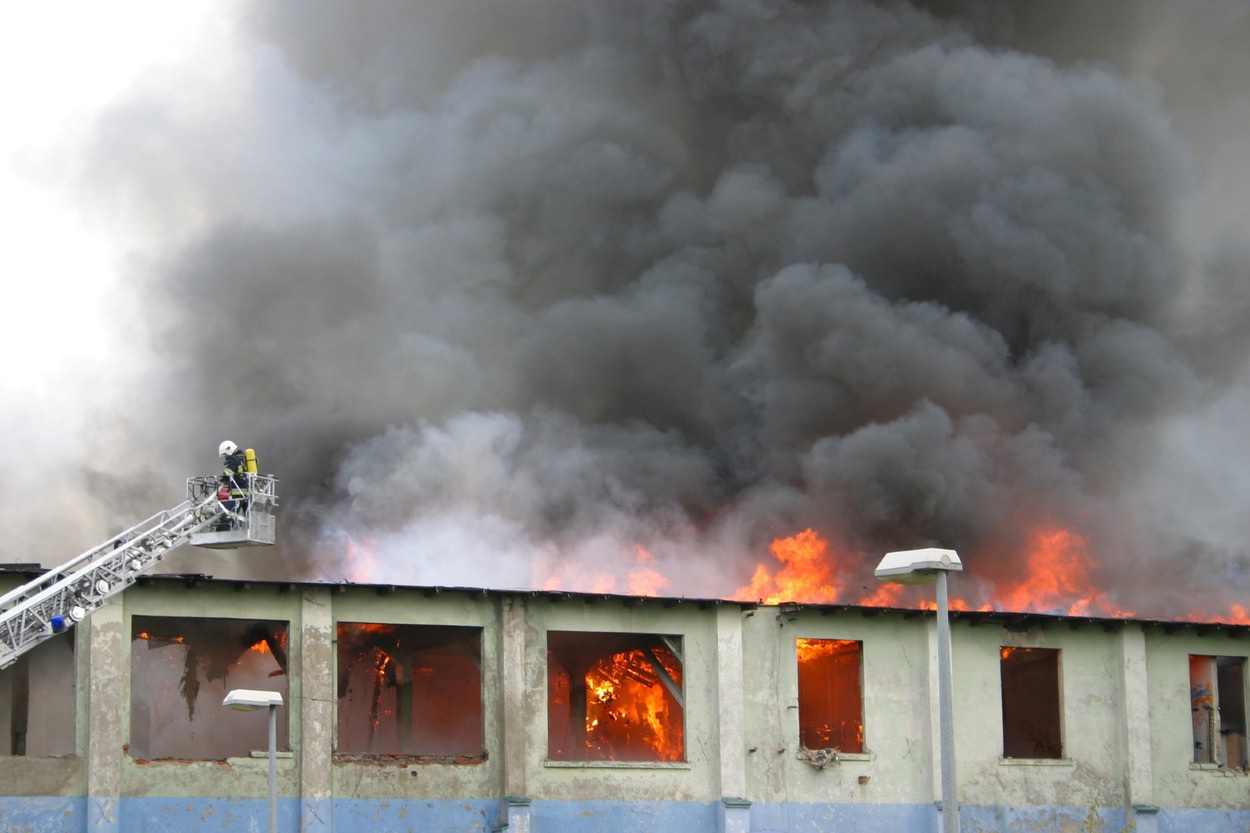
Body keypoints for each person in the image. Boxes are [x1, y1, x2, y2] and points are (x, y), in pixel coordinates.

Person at [218, 440, 249, 530]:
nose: (225, 457)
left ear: (228, 450)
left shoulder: (232, 459)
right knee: (247, 511)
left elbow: (229, 472)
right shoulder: (242, 458)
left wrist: (224, 478)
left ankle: (225, 527)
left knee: (231, 510)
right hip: (247, 489)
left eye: (225, 454)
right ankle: (254, 528)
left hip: (238, 490)